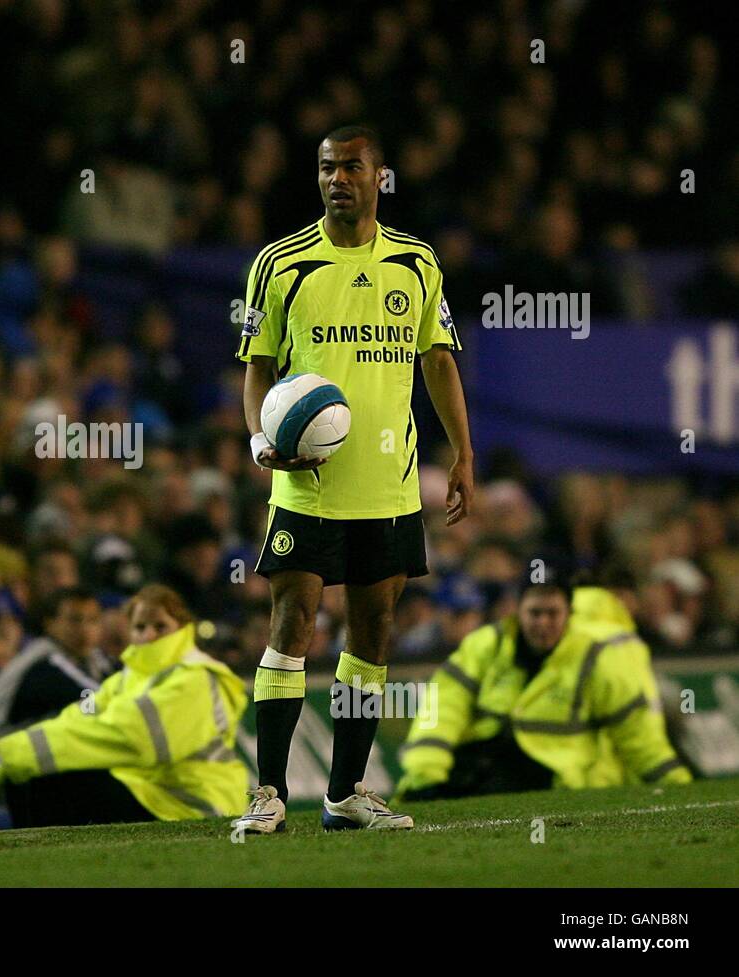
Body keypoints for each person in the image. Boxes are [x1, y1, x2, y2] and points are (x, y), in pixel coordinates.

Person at [233, 125, 475, 834]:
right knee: (293, 623)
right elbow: (258, 367)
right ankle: (269, 791)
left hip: (392, 487)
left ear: (380, 175)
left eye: (352, 167)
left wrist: (463, 451)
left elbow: (437, 358)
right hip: (307, 486)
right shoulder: (280, 264)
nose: (338, 178)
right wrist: (259, 441)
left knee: (373, 633)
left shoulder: (417, 261)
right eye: (327, 167)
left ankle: (345, 793)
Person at [395, 579, 691, 799]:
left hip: (554, 776)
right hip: (484, 761)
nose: (543, 623)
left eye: (552, 614)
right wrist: (426, 772)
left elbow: (637, 734)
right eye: (535, 613)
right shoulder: (486, 645)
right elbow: (443, 707)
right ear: (517, 612)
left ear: (569, 615)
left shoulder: (596, 657)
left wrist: (675, 783)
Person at [0, 584, 248, 827]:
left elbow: (133, 739)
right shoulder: (127, 677)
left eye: (160, 626)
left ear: (183, 627)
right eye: (140, 627)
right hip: (152, 791)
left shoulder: (197, 675)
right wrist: (16, 754)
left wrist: (18, 754)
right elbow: (79, 718)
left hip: (195, 801)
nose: (149, 635)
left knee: (54, 775)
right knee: (34, 772)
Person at [0, 586, 115, 741]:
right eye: (74, 620)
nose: (85, 629)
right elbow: (92, 696)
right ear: (50, 624)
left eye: (93, 620)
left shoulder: (92, 657)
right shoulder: (43, 661)